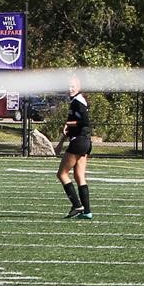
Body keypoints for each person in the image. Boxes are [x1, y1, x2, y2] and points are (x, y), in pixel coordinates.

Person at [56, 76, 94, 219]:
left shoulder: (78, 101)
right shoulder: (75, 101)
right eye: (68, 85)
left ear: (79, 87)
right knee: (79, 176)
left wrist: (68, 124)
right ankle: (87, 212)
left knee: (62, 174)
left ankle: (77, 205)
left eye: (72, 86)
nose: (69, 88)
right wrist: (61, 141)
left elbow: (84, 122)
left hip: (80, 141)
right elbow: (73, 125)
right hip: (84, 141)